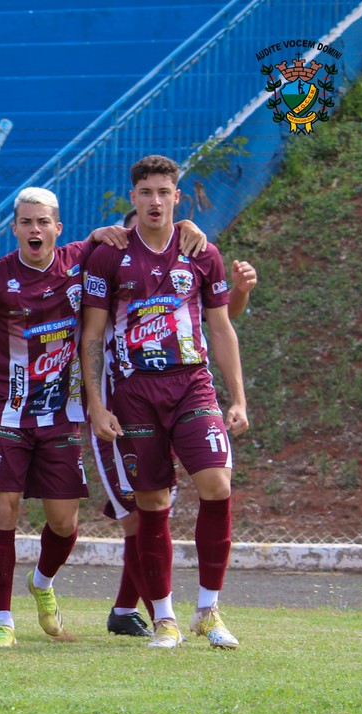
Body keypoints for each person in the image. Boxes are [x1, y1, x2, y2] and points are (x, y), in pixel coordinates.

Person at [0, 187, 204, 647]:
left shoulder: (84, 258)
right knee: (3, 511)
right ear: (14, 229)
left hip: (61, 415)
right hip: (5, 415)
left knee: (63, 524)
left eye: (43, 222)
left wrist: (190, 228)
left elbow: (152, 236)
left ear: (58, 227)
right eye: (26, 222)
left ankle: (42, 581)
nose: (35, 230)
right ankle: (2, 621)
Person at [81, 154, 249, 650]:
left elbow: (220, 326)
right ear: (132, 199)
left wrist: (237, 397)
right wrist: (96, 403)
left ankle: (209, 610)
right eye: (145, 193)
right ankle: (164, 619)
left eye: (164, 192)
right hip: (133, 393)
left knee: (217, 485)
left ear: (178, 196)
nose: (155, 201)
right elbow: (91, 335)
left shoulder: (202, 252)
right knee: (153, 503)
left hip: (191, 384)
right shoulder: (109, 255)